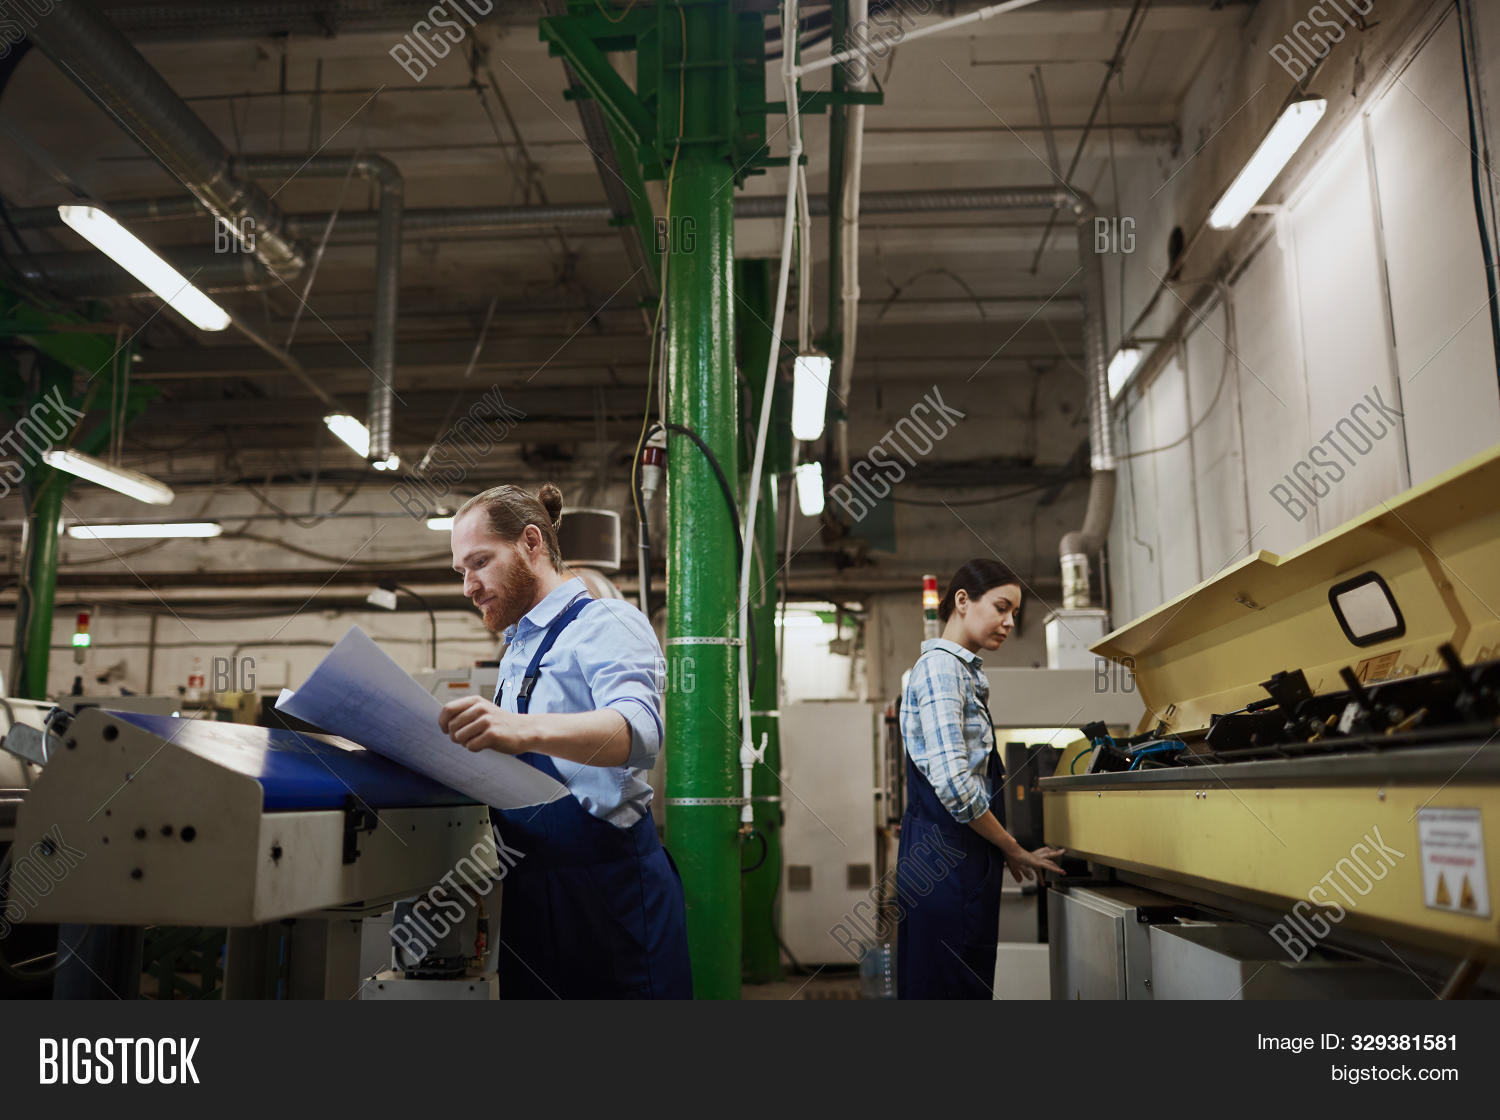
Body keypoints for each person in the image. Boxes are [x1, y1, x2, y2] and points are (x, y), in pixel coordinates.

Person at [438, 483, 692, 998]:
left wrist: (521, 729)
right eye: (460, 570)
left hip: (607, 894)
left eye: (480, 562)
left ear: (531, 542)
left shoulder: (605, 623)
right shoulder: (517, 649)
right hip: (531, 886)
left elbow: (639, 730)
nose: (468, 585)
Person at [896, 558, 1066, 999]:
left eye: (1014, 614)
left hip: (957, 857)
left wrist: (1000, 846)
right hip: (946, 862)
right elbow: (955, 786)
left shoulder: (960, 671)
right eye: (1001, 607)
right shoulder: (942, 669)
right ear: (963, 601)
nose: (1010, 623)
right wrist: (1011, 845)